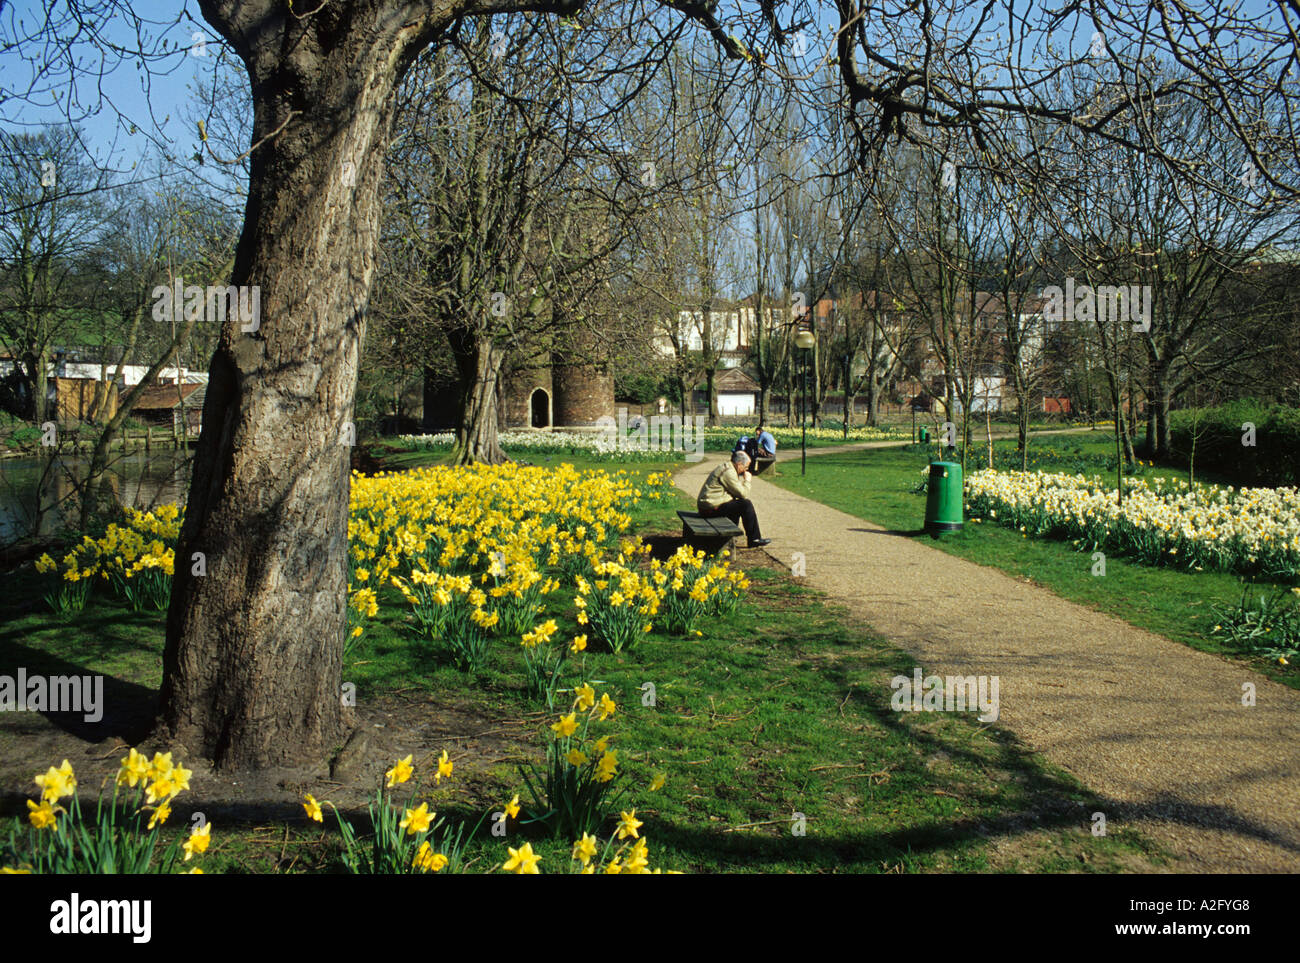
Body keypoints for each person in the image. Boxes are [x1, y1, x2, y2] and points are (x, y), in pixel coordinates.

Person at [697, 449, 771, 548]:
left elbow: (736, 492)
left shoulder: (728, 467)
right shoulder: (729, 472)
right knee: (745, 504)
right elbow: (743, 493)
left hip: (710, 505)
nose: (746, 470)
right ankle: (754, 539)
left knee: (736, 504)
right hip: (710, 509)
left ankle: (730, 537)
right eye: (746, 467)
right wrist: (747, 481)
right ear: (739, 464)